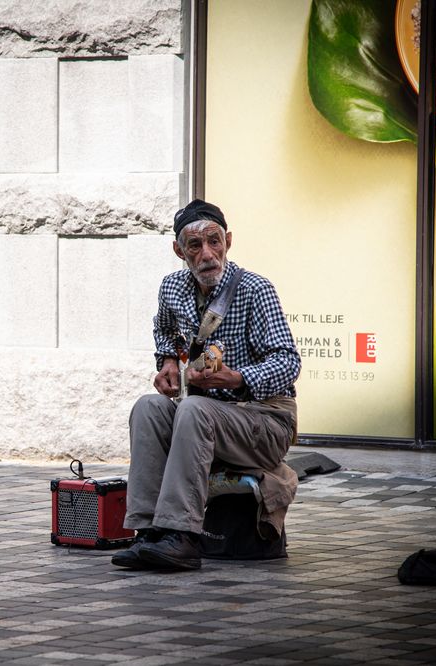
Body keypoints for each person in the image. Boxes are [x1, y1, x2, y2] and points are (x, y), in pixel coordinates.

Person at [112, 199, 302, 571]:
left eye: (214, 241)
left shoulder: (256, 289)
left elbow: (288, 362)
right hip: (204, 421)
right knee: (148, 408)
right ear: (178, 250)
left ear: (228, 241)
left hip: (263, 422)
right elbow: (164, 329)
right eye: (194, 246)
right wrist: (167, 361)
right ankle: (150, 532)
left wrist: (240, 378)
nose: (207, 254)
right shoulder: (172, 288)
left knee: (194, 408)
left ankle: (181, 535)